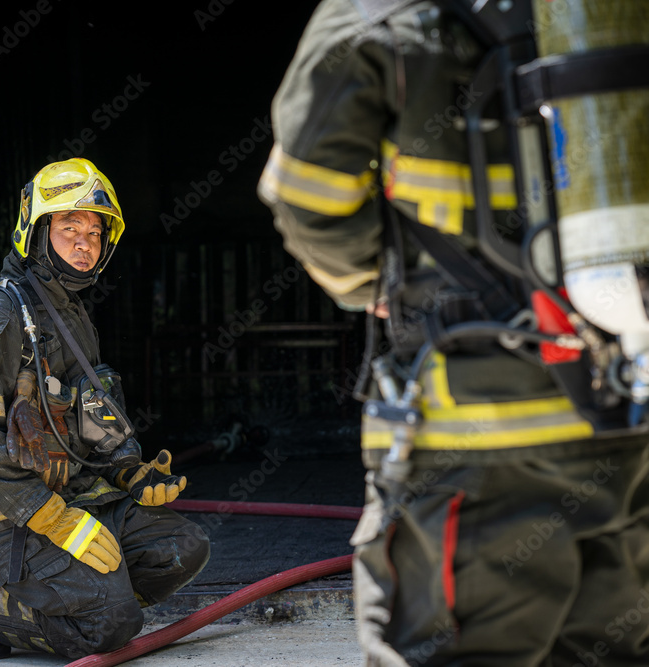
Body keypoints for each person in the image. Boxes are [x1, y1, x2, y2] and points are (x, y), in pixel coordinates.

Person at [259, 1, 649, 665]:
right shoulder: (604, 14)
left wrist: (371, 290)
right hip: (622, 424)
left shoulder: (373, 18)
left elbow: (307, 201)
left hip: (471, 450)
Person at [0, 158, 209, 660]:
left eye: (95, 233)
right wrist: (52, 520)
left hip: (72, 494)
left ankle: (82, 600)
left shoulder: (69, 313)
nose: (85, 243)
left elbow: (86, 409)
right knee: (111, 624)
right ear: (35, 233)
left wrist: (128, 473)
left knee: (181, 550)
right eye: (69, 228)